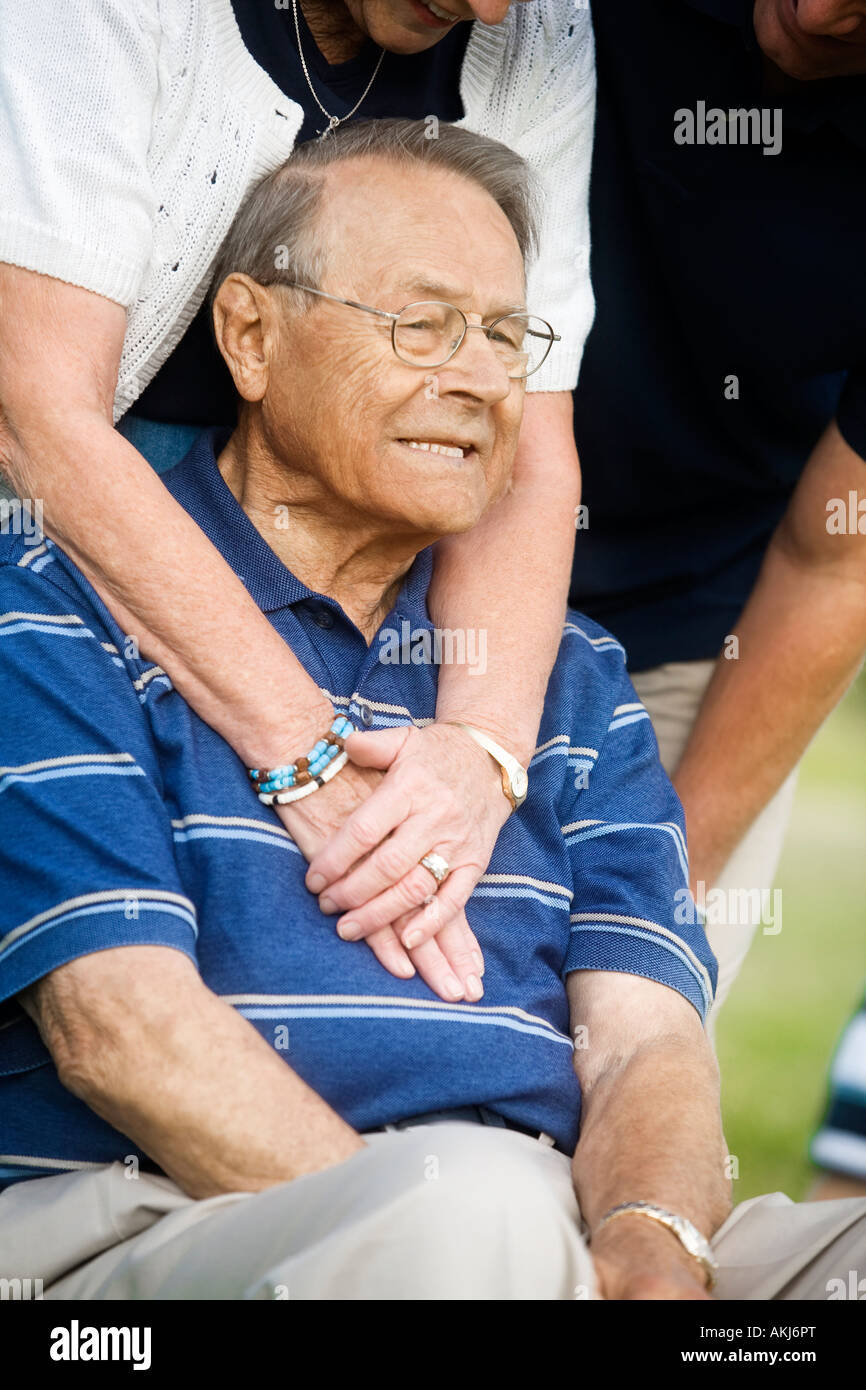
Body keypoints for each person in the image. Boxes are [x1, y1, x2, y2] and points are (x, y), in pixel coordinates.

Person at [2, 122, 864, 1301]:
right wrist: (454, 1240)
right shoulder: (51, 606)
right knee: (473, 1211)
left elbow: (644, 1044)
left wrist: (646, 1249)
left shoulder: (565, 675)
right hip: (175, 1222)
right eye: (420, 324)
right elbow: (126, 1034)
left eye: (506, 337)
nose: (474, 377)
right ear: (250, 336)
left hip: (538, 1236)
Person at [0, 0, 594, 1003]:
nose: (490, 11)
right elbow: (37, 412)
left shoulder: (545, 30)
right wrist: (308, 761)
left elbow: (526, 444)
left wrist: (478, 754)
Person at [571, 0, 866, 1020]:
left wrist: (659, 895)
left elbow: (838, 561)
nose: (819, 11)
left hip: (707, 639)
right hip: (405, 584)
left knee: (629, 1042)